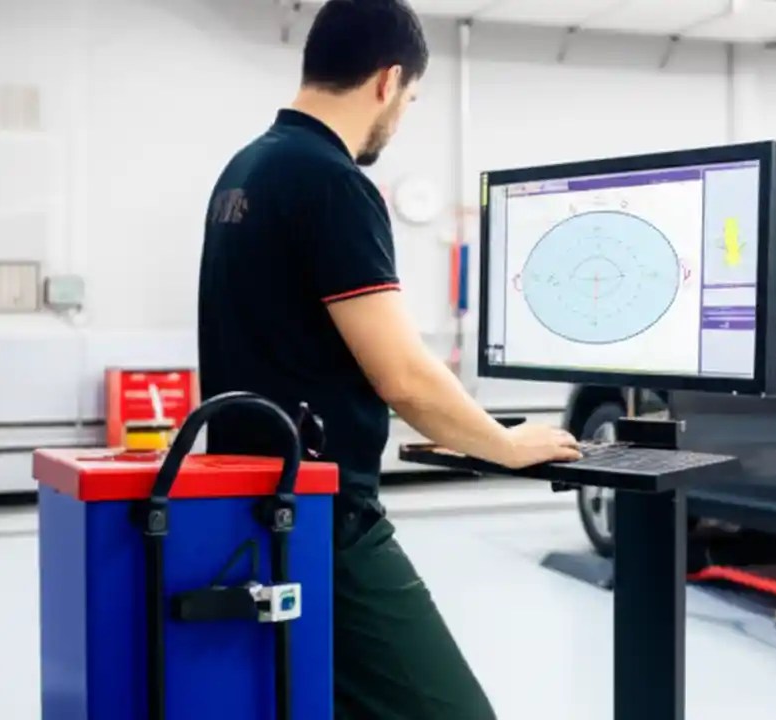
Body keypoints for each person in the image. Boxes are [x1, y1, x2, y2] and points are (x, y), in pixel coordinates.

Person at [196, 0, 583, 717]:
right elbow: (399, 372)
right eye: (410, 99)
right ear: (388, 81)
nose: (402, 115)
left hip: (246, 504)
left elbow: (298, 346)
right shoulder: (332, 181)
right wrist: (502, 443)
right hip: (325, 517)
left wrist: (440, 421)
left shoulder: (247, 168)